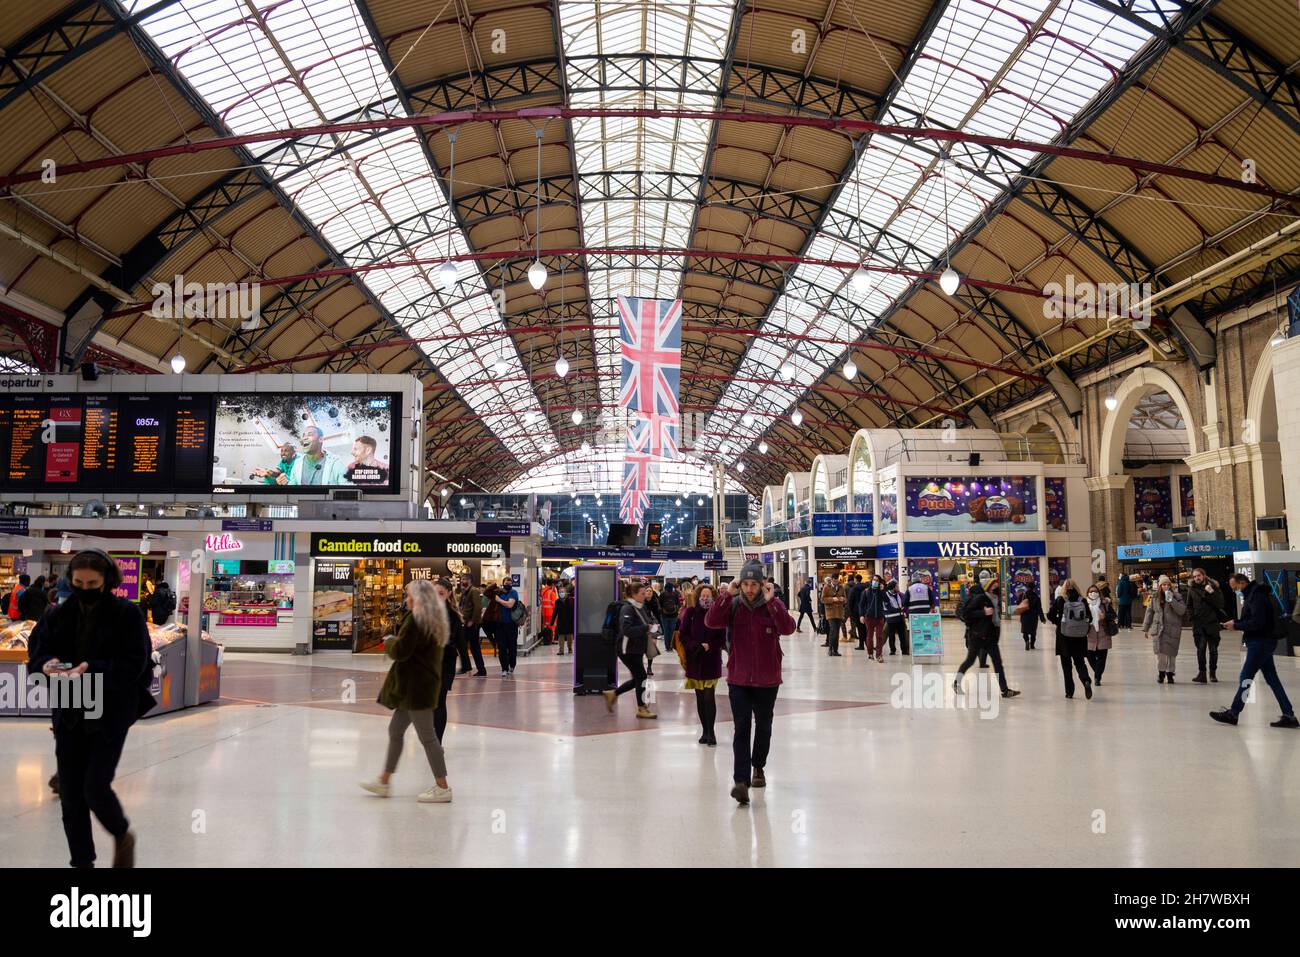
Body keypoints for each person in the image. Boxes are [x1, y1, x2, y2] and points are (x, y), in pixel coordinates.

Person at [27, 550, 152, 868]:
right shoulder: (56, 615)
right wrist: (47, 666)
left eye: (93, 582)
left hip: (110, 710)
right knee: (71, 796)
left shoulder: (127, 614)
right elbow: (37, 655)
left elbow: (134, 664)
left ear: (108, 580)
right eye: (79, 581)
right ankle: (81, 863)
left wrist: (90, 668)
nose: (85, 587)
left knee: (95, 786)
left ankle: (122, 835)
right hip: (70, 707)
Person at [705, 559, 796, 806]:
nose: (748, 589)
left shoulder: (772, 606)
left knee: (764, 726)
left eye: (753, 584)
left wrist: (773, 601)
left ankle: (758, 767)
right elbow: (711, 622)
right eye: (744, 584)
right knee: (742, 728)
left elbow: (789, 629)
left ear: (762, 584)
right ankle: (741, 781)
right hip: (739, 678)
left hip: (767, 679)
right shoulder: (733, 605)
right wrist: (726, 594)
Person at [360, 580, 453, 803]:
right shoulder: (434, 618)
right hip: (417, 686)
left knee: (428, 738)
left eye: (409, 595)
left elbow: (402, 652)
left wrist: (390, 641)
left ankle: (443, 787)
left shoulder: (416, 619)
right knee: (395, 731)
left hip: (416, 689)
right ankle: (384, 781)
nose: (406, 599)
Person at [1210, 574, 1298, 728]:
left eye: (1236, 588)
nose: (1235, 591)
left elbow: (1257, 622)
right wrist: (1236, 622)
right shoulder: (1255, 594)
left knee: (1246, 677)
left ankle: (1234, 713)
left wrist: (1236, 625)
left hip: (1260, 643)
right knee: (1272, 679)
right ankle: (1289, 715)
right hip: (1263, 642)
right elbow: (1253, 619)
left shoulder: (1256, 596)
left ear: (1242, 583)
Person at [953, 571, 1020, 698]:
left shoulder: (993, 599)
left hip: (989, 636)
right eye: (993, 586)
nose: (996, 589)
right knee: (970, 661)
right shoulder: (980, 598)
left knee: (997, 662)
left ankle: (1004, 690)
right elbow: (967, 614)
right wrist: (983, 613)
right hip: (977, 636)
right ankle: (956, 682)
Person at [603, 578, 659, 719]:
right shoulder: (627, 608)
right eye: (641, 593)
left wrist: (652, 627)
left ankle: (613, 694)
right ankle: (641, 708)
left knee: (638, 677)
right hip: (627, 649)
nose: (644, 596)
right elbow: (627, 630)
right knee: (641, 677)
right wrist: (646, 628)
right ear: (633, 594)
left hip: (637, 648)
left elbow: (647, 622)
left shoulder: (640, 607)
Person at [678, 583, 725, 746]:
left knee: (709, 696)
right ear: (698, 597)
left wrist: (710, 646)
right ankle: (704, 731)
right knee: (699, 697)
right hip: (695, 660)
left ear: (713, 597)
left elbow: (722, 637)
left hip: (711, 659)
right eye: (703, 596)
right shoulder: (690, 613)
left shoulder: (717, 614)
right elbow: (683, 635)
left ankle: (711, 732)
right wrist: (695, 646)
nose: (705, 598)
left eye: (708, 596)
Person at [1048, 578, 1093, 699]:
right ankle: (1086, 681)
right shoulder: (1082, 600)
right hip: (1079, 636)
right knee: (1080, 662)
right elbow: (1090, 618)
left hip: (1064, 636)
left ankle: (1069, 692)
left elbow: (1050, 615)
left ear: (1064, 588)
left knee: (1066, 665)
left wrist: (1059, 622)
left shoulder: (1061, 600)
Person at [1143, 574, 1186, 684]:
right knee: (1160, 653)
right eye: (1163, 585)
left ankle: (1170, 674)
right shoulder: (1154, 597)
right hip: (1159, 628)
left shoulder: (1177, 596)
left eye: (1168, 584)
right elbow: (1149, 612)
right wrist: (1146, 628)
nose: (1166, 586)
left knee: (1171, 654)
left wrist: (1172, 600)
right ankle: (1161, 673)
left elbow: (1181, 611)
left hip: (1173, 628)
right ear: (1160, 586)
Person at [1186, 567, 1227, 684]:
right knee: (1200, 649)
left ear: (1204, 575)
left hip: (1212, 623)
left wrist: (1211, 593)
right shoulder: (1192, 589)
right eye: (1194, 576)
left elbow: (1220, 603)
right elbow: (1189, 605)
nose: (1196, 578)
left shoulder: (1213, 587)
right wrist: (1191, 617)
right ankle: (1202, 674)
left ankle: (1213, 674)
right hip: (1199, 623)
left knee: (1213, 650)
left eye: (1198, 575)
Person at [432, 578, 460, 742]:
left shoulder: (453, 615)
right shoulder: (426, 612)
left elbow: (457, 641)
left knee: (439, 701)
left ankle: (437, 741)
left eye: (441, 594)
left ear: (449, 594)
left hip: (444, 663)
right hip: (427, 664)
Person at [278, 425, 346, 485]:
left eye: (309, 434)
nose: (304, 438)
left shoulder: (336, 463)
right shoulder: (297, 463)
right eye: (303, 435)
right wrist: (286, 483)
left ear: (321, 439)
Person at [1085, 583, 1117, 686]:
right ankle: (1098, 672)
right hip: (1089, 634)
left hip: (1103, 633)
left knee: (1102, 659)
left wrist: (1105, 616)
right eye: (1091, 591)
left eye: (1095, 591)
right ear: (1087, 593)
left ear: (1099, 593)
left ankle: (1097, 677)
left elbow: (1113, 615)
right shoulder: (1084, 604)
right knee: (1090, 658)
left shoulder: (1104, 604)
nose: (1093, 593)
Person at [457, 575, 487, 676]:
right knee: (468, 646)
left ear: (470, 581)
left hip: (472, 624)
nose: (462, 581)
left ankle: (473, 668)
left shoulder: (473, 591)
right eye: (462, 579)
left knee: (471, 646)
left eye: (464, 579)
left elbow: (478, 607)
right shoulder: (465, 591)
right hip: (466, 622)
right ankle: (473, 668)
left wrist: (472, 621)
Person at [493, 575, 520, 678]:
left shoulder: (513, 592)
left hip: (511, 625)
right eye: (506, 582)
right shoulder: (499, 592)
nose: (508, 584)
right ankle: (504, 668)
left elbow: (510, 605)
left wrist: (499, 600)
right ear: (503, 583)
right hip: (500, 625)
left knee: (512, 648)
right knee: (502, 648)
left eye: (510, 583)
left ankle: (512, 665)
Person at [858, 574, 887, 662]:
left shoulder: (881, 591)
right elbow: (861, 605)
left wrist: (882, 590)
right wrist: (861, 615)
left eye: (877, 580)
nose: (875, 581)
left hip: (879, 617)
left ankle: (879, 655)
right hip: (869, 617)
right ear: (871, 581)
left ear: (879, 582)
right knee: (869, 636)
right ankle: (870, 653)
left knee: (879, 636)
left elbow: (887, 601)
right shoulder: (866, 592)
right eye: (874, 580)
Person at [821, 573, 848, 656]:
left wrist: (842, 599)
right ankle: (830, 649)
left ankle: (835, 650)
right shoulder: (826, 587)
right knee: (833, 630)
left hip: (839, 612)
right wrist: (832, 599)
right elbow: (822, 599)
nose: (836, 582)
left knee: (837, 632)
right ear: (832, 580)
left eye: (837, 580)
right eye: (834, 580)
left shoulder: (841, 587)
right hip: (830, 612)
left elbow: (845, 599)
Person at [882, 579, 909, 654]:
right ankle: (892, 650)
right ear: (893, 588)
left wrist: (903, 609)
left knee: (902, 635)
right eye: (897, 587)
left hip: (900, 619)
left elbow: (903, 604)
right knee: (891, 636)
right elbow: (889, 608)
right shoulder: (886, 595)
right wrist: (899, 610)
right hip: (891, 620)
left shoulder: (899, 595)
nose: (898, 588)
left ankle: (904, 650)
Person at [1016, 584, 1046, 650]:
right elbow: (1039, 609)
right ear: (1033, 588)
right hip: (1033, 617)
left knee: (1025, 631)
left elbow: (1018, 603)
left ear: (1027, 587)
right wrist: (1042, 618)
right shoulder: (1036, 597)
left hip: (1024, 616)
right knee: (1033, 632)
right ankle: (1032, 645)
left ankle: (1026, 641)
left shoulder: (1023, 595)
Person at [481, 581, 501, 666]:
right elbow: (486, 592)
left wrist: (494, 585)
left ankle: (496, 645)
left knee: (496, 634)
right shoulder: (491, 594)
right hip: (490, 619)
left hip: (495, 619)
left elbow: (486, 592)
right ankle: (495, 644)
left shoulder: (497, 594)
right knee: (491, 633)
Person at [658, 580, 681, 654]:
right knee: (672, 631)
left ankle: (667, 646)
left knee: (666, 631)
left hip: (664, 615)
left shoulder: (662, 594)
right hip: (674, 615)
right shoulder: (675, 594)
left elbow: (659, 605)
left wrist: (661, 612)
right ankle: (671, 646)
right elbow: (678, 604)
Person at [552, 581, 574, 655]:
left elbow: (574, 611)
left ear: (566, 593)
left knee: (569, 636)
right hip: (561, 621)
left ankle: (570, 648)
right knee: (561, 636)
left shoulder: (571, 601)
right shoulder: (557, 602)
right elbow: (555, 612)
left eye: (562, 592)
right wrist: (552, 621)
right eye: (560, 592)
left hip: (569, 621)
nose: (561, 593)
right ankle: (561, 650)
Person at [846, 574, 866, 650]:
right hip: (865, 610)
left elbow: (850, 601)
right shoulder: (865, 587)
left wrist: (850, 611)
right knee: (865, 628)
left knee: (860, 629)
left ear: (855, 579)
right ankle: (867, 643)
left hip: (856, 611)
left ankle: (861, 645)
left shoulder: (854, 589)